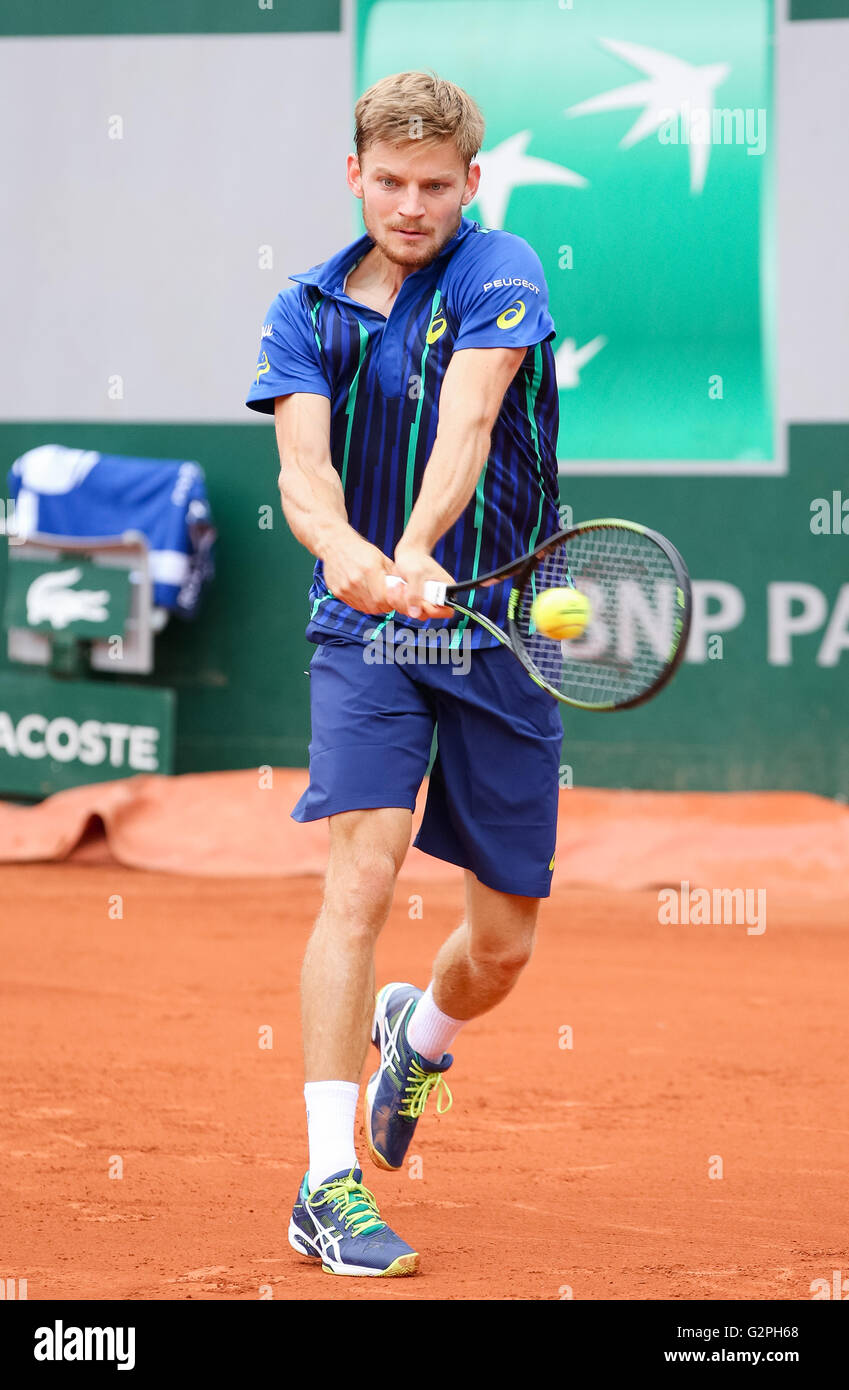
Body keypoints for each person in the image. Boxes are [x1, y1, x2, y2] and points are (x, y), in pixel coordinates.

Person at [246, 70, 563, 1277]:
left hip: (499, 630)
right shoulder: (307, 307)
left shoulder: (501, 268)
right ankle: (326, 1182)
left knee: (502, 950)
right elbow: (300, 474)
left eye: (437, 186)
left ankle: (417, 1040)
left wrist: (421, 549)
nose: (412, 205)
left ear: (470, 184)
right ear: (354, 175)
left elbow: (469, 421)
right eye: (390, 182)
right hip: (367, 634)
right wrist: (351, 560)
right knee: (359, 877)